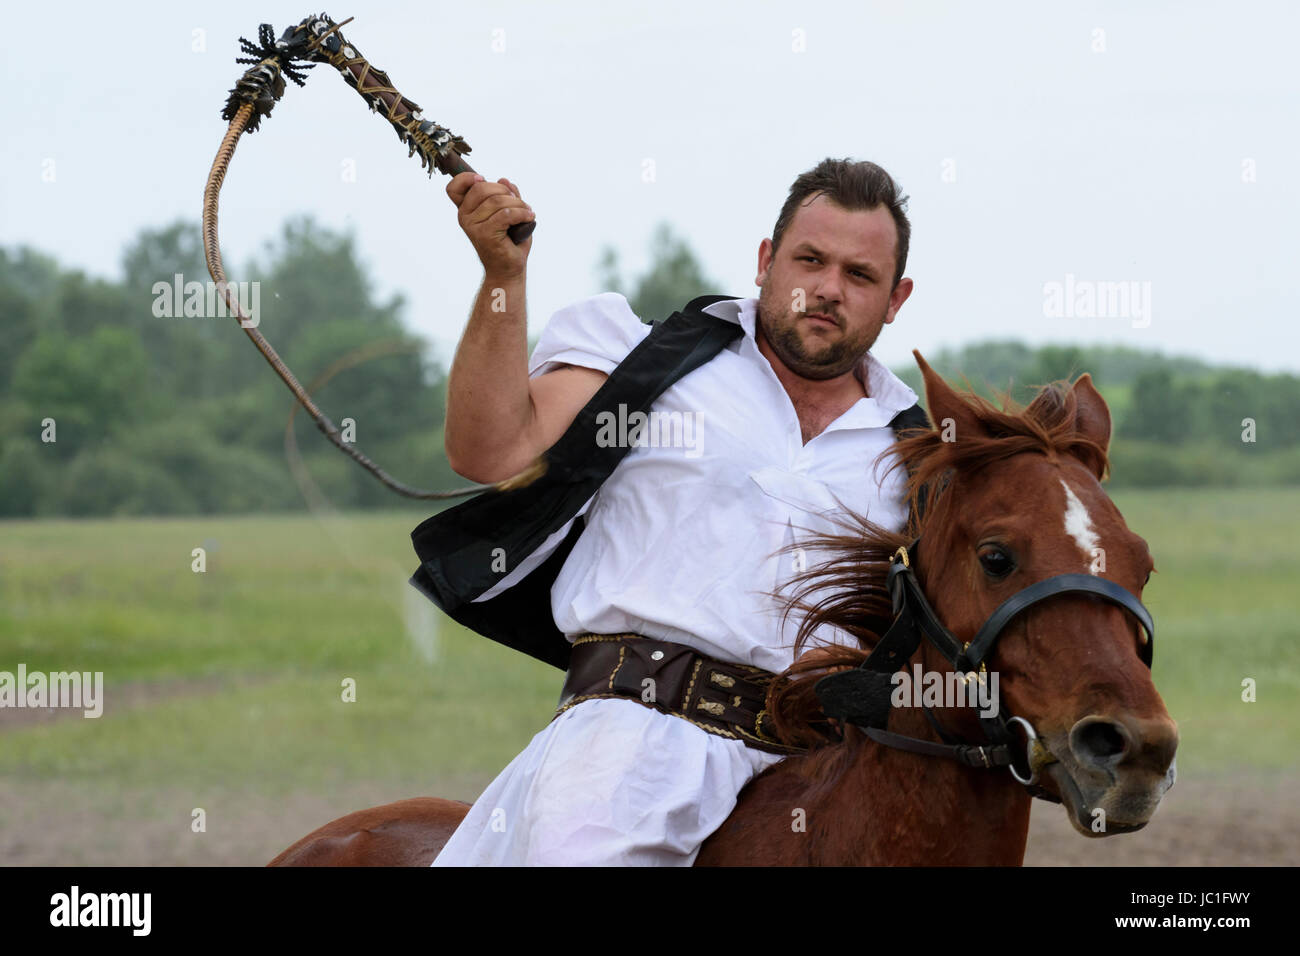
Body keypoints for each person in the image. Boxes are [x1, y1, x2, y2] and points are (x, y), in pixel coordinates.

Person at [431, 157, 918, 865]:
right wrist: (503, 279)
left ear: (896, 298)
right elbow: (490, 449)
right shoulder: (648, 358)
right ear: (765, 261)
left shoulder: (914, 451)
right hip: (631, 746)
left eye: (860, 275)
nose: (827, 290)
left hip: (821, 774)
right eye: (810, 260)